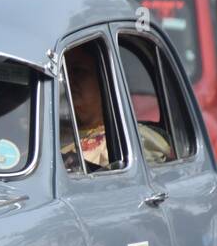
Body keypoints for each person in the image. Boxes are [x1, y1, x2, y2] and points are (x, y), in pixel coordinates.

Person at [62, 41, 172, 169]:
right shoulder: (46, 133)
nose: (67, 80)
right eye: (63, 72)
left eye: (78, 72)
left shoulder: (133, 139)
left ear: (104, 81)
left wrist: (85, 167)